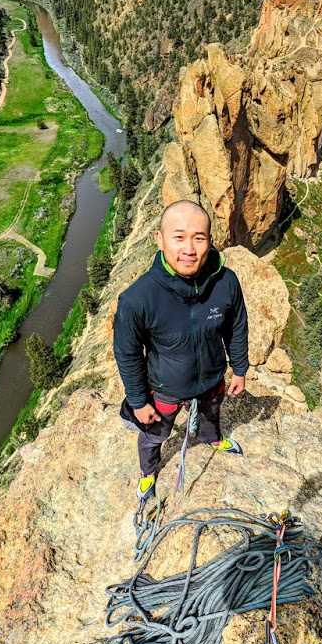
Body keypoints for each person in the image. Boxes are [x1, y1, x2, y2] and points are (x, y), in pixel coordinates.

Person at [114, 199, 249, 496]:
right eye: (179, 237)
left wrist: (239, 369)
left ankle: (211, 437)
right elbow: (128, 353)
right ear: (159, 240)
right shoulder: (138, 299)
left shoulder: (225, 282)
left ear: (210, 241)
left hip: (212, 375)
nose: (189, 248)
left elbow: (236, 326)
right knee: (154, 434)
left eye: (199, 238)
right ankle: (148, 471)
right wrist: (138, 401)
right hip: (166, 386)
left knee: (212, 411)